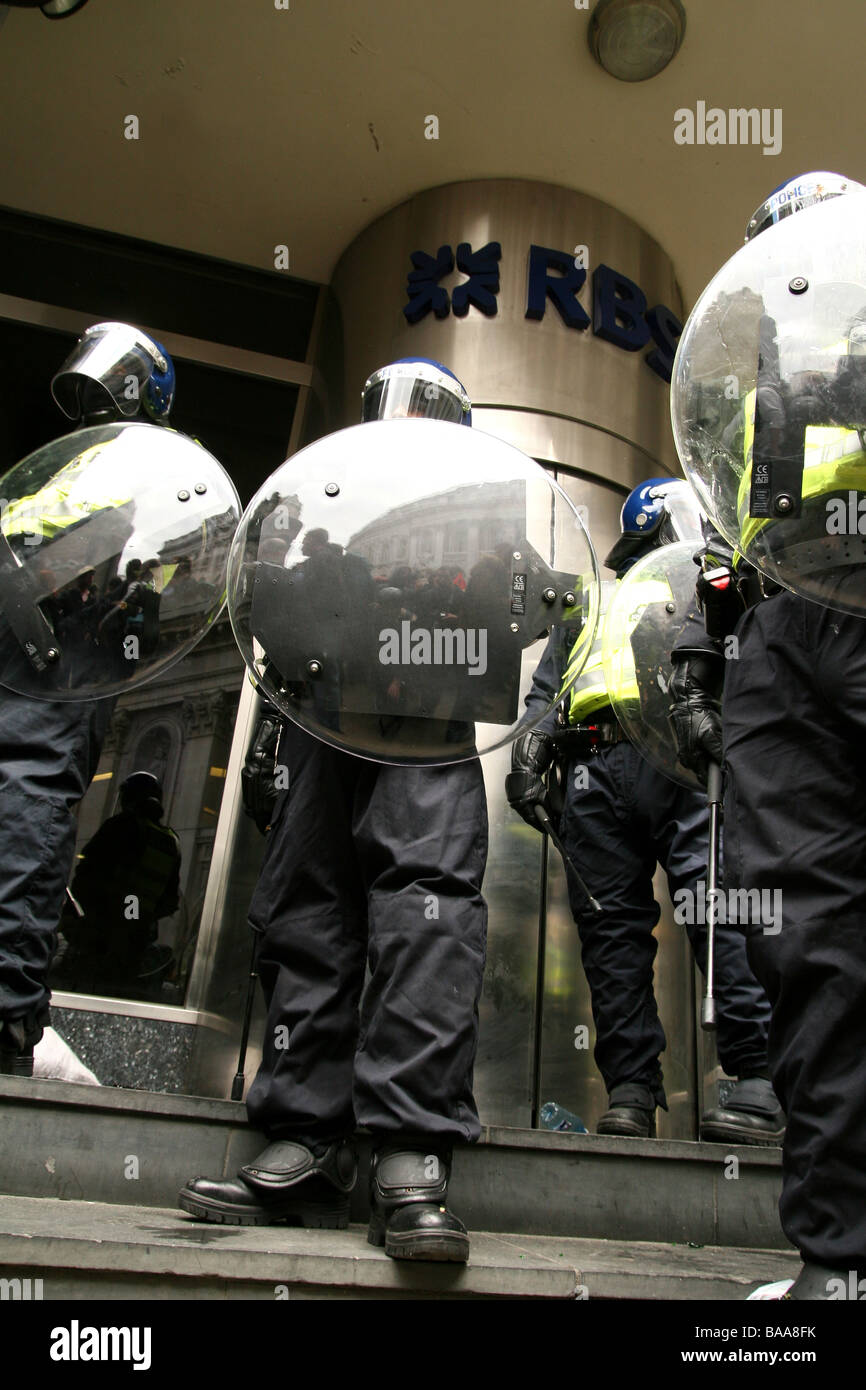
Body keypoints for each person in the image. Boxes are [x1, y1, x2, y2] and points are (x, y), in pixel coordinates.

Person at [180, 358, 489, 1263]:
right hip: (323, 720)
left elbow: (536, 601)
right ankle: (309, 1138)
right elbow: (273, 622)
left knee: (426, 909)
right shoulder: (333, 514)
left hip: (427, 711)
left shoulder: (472, 515)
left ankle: (410, 1142)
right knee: (308, 914)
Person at [669, 172, 866, 1299]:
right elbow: (719, 540)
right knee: (803, 943)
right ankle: (837, 1261)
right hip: (778, 634)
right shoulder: (736, 377)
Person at [507, 478, 781, 1142]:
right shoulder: (590, 600)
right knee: (611, 939)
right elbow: (549, 690)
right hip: (594, 768)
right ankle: (632, 1090)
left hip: (680, 756)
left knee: (716, 907)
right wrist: (530, 753)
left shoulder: (713, 582)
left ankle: (757, 1080)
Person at [0, 324, 176, 1075]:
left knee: (26, 810)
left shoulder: (155, 468)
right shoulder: (68, 459)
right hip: (21, 635)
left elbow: (147, 572)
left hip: (61, 651)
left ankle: (6, 1018)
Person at [54, 771, 181, 1000]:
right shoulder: (170, 840)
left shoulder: (122, 826)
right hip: (138, 931)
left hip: (107, 929)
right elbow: (170, 899)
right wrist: (138, 915)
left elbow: (89, 873)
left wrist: (74, 915)